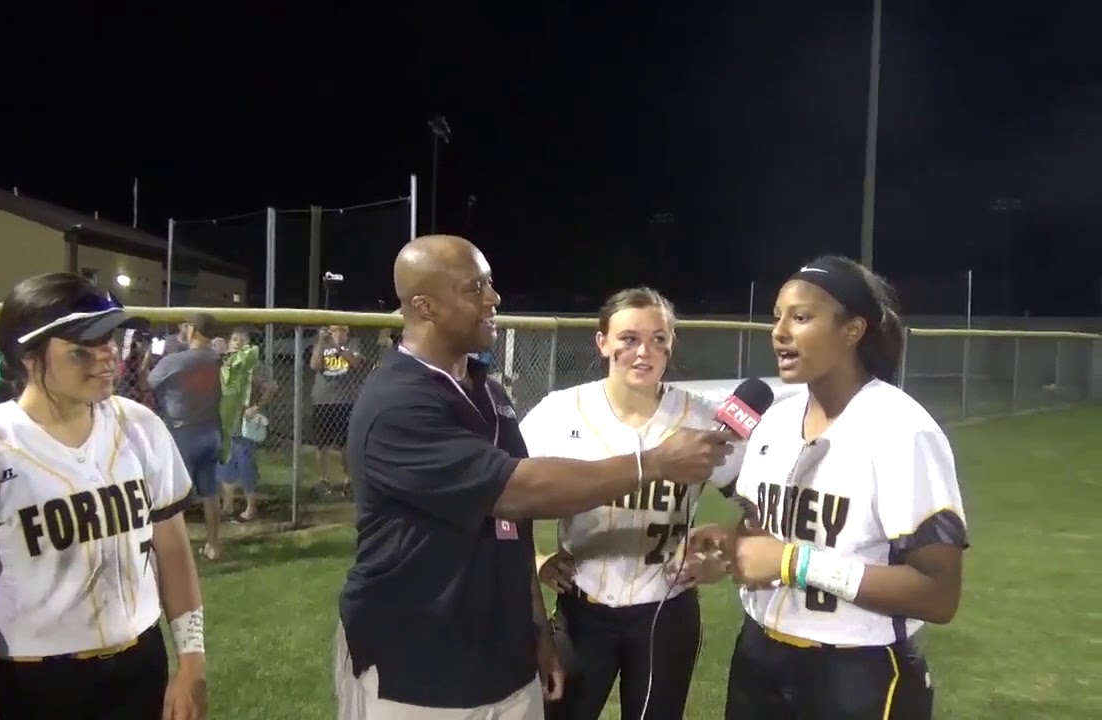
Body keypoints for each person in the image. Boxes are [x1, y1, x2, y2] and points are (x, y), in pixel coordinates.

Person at [334, 235, 739, 719]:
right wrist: (650, 463)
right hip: (417, 658)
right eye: (475, 288)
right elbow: (515, 491)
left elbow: (513, 526)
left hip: (510, 651)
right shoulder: (398, 405)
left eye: (658, 339)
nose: (494, 297)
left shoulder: (487, 392)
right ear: (425, 306)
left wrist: (538, 629)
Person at [0, 272, 207, 720]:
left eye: (108, 339)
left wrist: (192, 662)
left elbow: (172, 548)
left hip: (142, 663)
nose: (107, 354)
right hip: (37, 684)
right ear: (29, 357)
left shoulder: (140, 427)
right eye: (82, 347)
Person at [693, 255, 967, 719]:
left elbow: (937, 594)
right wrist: (732, 543)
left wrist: (794, 563)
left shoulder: (902, 430)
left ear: (852, 330)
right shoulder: (775, 420)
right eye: (777, 317)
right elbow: (766, 529)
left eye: (800, 318)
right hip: (758, 655)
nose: (779, 332)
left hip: (856, 672)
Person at [521, 287, 743, 720]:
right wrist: (538, 558)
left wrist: (725, 555)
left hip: (666, 611)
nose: (645, 352)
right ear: (602, 342)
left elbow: (763, 504)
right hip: (583, 608)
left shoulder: (700, 418)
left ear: (671, 345)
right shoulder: (559, 412)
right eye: (629, 339)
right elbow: (505, 503)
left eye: (658, 339)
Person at [148, 313, 224, 560]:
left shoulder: (174, 360)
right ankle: (213, 545)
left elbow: (147, 383)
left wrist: (148, 358)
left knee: (176, 497)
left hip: (183, 433)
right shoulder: (216, 358)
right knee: (210, 492)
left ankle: (176, 552)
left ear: (192, 330)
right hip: (211, 430)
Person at [217, 326, 276, 522]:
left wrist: (256, 408)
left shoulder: (253, 365)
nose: (237, 343)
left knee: (245, 463)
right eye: (234, 339)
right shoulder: (224, 363)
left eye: (242, 340)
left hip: (244, 422)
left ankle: (251, 507)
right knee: (225, 464)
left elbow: (271, 387)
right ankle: (228, 505)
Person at [308, 324, 364, 495]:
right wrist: (321, 342)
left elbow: (356, 363)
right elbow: (315, 366)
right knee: (322, 444)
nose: (338, 334)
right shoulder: (321, 344)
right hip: (323, 400)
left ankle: (349, 480)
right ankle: (324, 480)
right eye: (334, 330)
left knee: (346, 444)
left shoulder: (353, 344)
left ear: (347, 333)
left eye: (342, 330)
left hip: (345, 400)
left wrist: (339, 348)